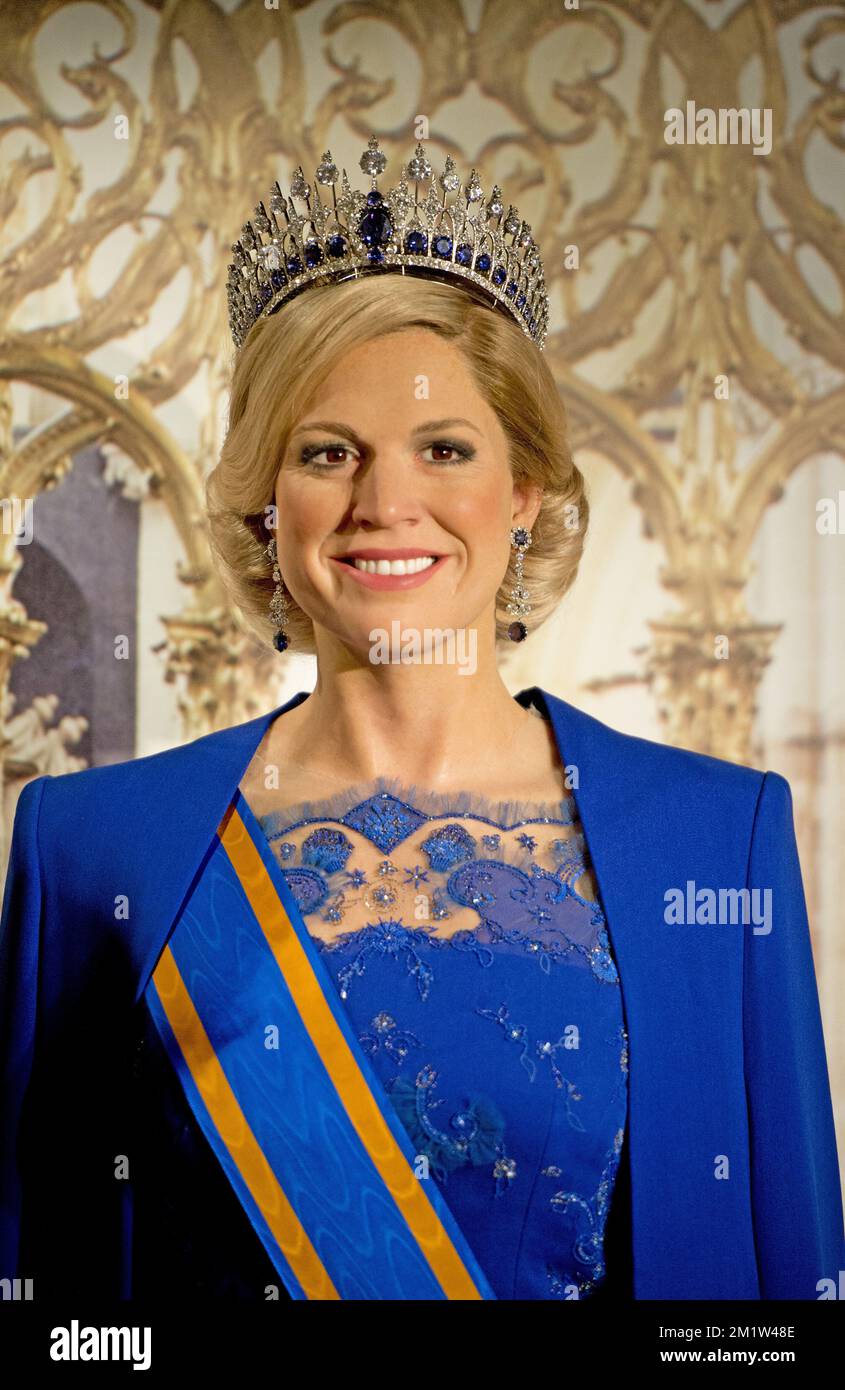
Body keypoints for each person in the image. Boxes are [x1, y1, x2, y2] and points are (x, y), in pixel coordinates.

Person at [1, 138, 843, 1303]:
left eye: (442, 448)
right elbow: (48, 1291)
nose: (383, 503)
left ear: (522, 497)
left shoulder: (716, 840)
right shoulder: (90, 848)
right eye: (325, 453)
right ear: (264, 509)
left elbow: (778, 1297)